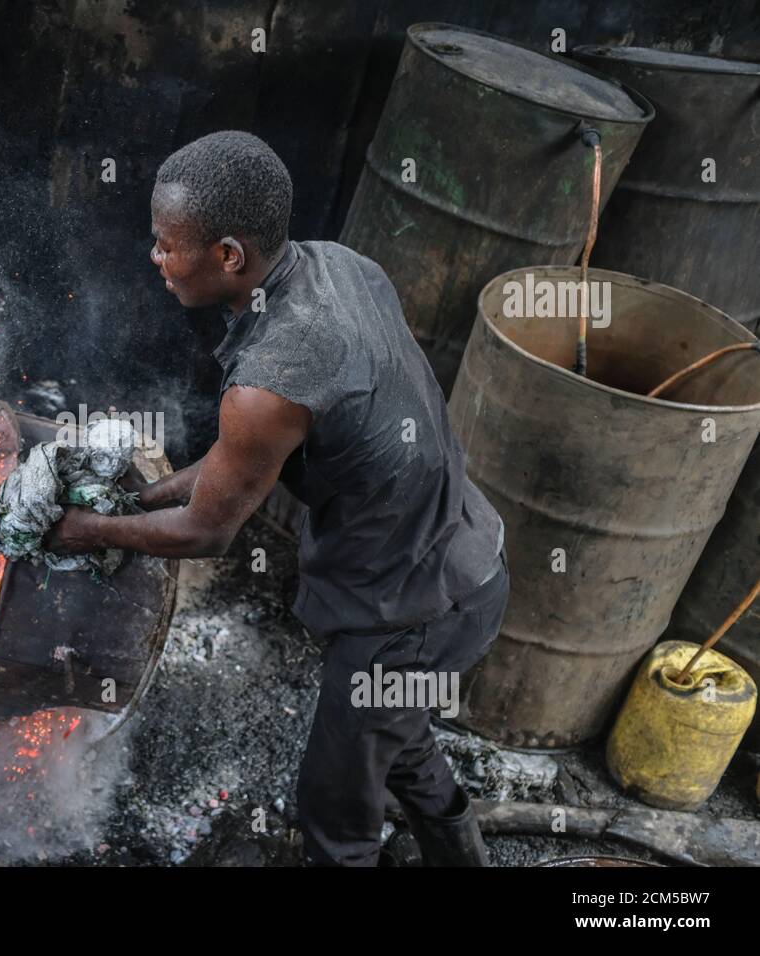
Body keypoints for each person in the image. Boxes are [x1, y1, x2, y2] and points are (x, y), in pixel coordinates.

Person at [44, 130, 508, 866]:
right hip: (466, 555)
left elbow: (207, 533)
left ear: (229, 256)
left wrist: (86, 531)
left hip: (418, 610)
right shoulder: (341, 267)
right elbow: (236, 464)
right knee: (401, 737)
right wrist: (135, 504)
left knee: (335, 814)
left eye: (168, 245)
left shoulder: (271, 381)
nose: (155, 258)